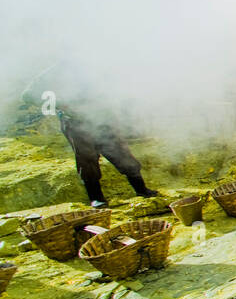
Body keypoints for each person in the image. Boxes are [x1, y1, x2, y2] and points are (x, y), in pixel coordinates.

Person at [20, 61, 158, 207]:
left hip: (103, 117)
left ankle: (142, 190)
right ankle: (96, 198)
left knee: (121, 153)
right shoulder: (54, 72)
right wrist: (59, 104)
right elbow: (27, 95)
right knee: (86, 159)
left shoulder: (96, 63)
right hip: (75, 122)